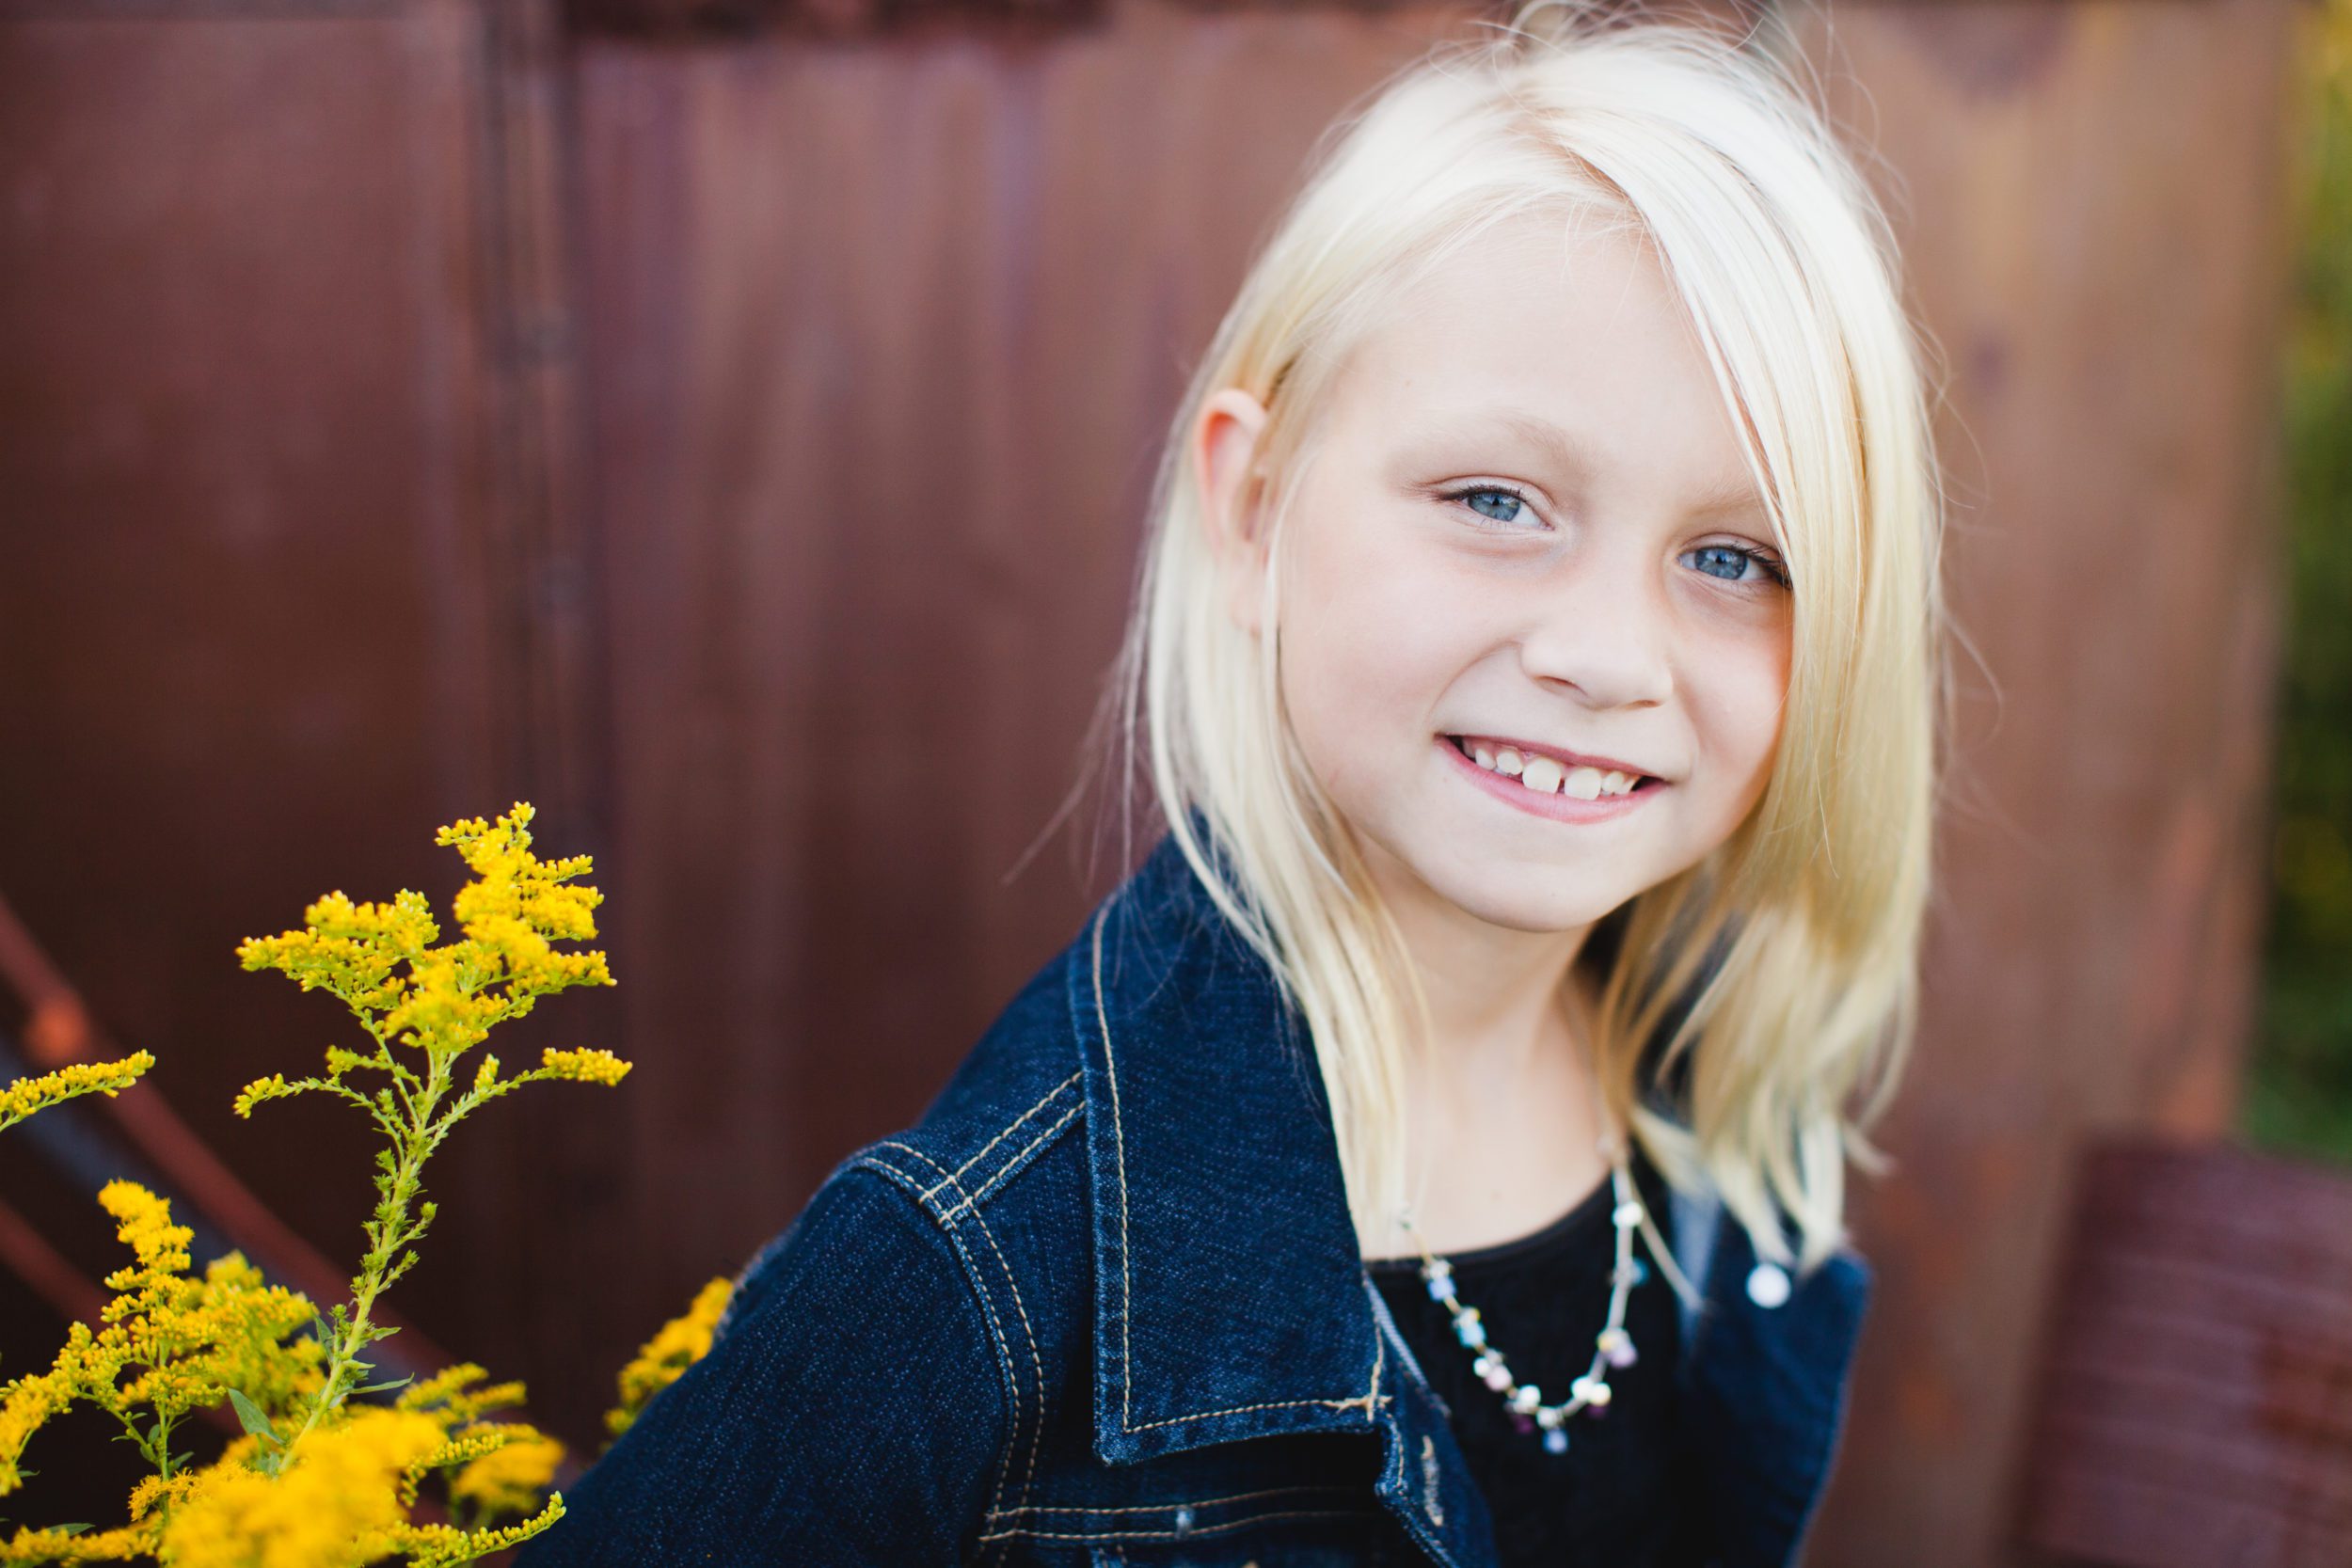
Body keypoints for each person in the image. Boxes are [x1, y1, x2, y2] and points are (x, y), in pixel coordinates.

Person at [512, 0, 1945, 1561]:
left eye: (1736, 557)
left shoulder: (1719, 1122)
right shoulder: (968, 1266)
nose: (1610, 654)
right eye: (1496, 500)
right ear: (1253, 509)